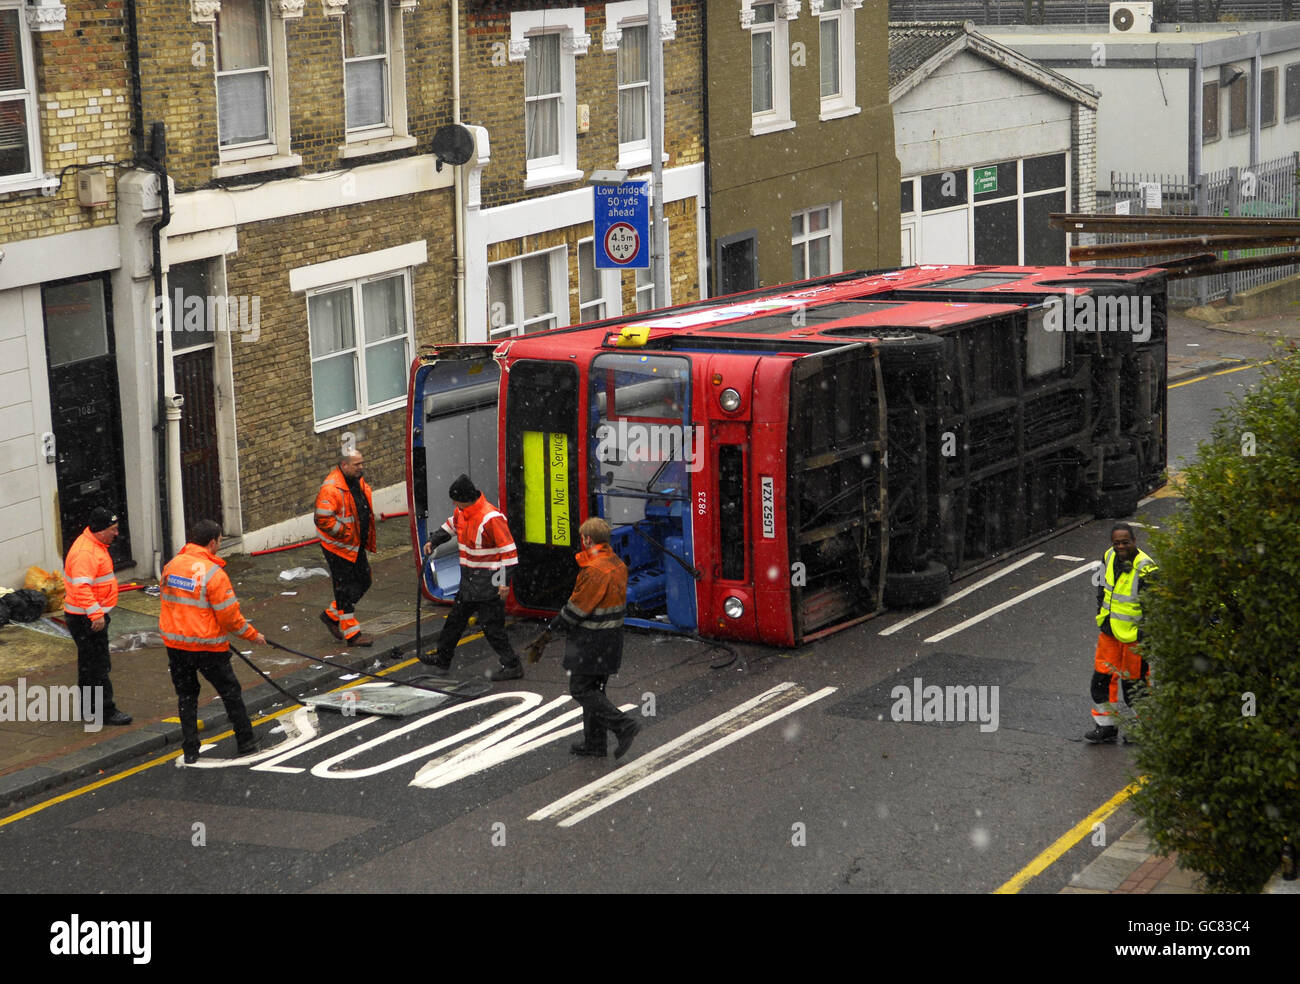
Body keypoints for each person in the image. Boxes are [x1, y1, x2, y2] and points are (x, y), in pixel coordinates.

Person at [159, 519, 267, 764]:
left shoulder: (171, 566)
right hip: (208, 647)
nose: (219, 545)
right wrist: (252, 635)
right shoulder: (214, 574)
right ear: (211, 543)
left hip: (176, 646)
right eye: (219, 541)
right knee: (230, 692)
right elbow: (230, 617)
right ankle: (246, 741)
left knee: (186, 696)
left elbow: (172, 604)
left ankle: (190, 748)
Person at [531, 517, 639, 759]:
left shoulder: (594, 570)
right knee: (595, 689)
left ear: (587, 539)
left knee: (581, 689)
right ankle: (595, 744)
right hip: (612, 639)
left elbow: (576, 609)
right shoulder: (617, 564)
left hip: (592, 640)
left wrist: (550, 630)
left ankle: (624, 725)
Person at [422, 474, 524, 681]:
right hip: (470, 579)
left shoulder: (491, 518)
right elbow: (450, 526)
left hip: (489, 581)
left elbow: (510, 553)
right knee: (455, 621)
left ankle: (512, 665)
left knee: (491, 626)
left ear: (464, 498)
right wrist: (434, 541)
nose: (453, 504)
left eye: (455, 499)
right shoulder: (463, 512)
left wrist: (504, 582)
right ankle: (443, 657)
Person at [1085, 523, 1158, 744]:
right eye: (1116, 542)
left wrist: (1146, 636)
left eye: (1125, 542)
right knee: (1101, 680)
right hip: (1110, 633)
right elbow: (1103, 588)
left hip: (1135, 637)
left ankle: (1141, 728)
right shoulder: (1108, 556)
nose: (1120, 546)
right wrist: (1102, 614)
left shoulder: (1146, 567)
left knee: (1134, 685)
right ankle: (1106, 727)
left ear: (1134, 541)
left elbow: (1154, 606)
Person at [62, 506, 131, 726]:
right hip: (87, 618)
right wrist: (95, 615)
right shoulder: (86, 553)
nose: (116, 533)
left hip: (86, 616)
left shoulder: (94, 545)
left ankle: (90, 710)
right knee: (98, 666)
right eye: (113, 529)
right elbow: (82, 587)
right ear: (101, 530)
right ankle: (105, 711)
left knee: (89, 665)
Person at [316, 451, 376, 647]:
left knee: (364, 580)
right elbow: (322, 518)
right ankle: (353, 635)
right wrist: (344, 532)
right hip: (338, 548)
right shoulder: (331, 488)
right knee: (344, 589)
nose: (361, 467)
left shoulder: (355, 480)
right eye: (356, 464)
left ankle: (331, 615)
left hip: (354, 544)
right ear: (343, 465)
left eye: (361, 463)